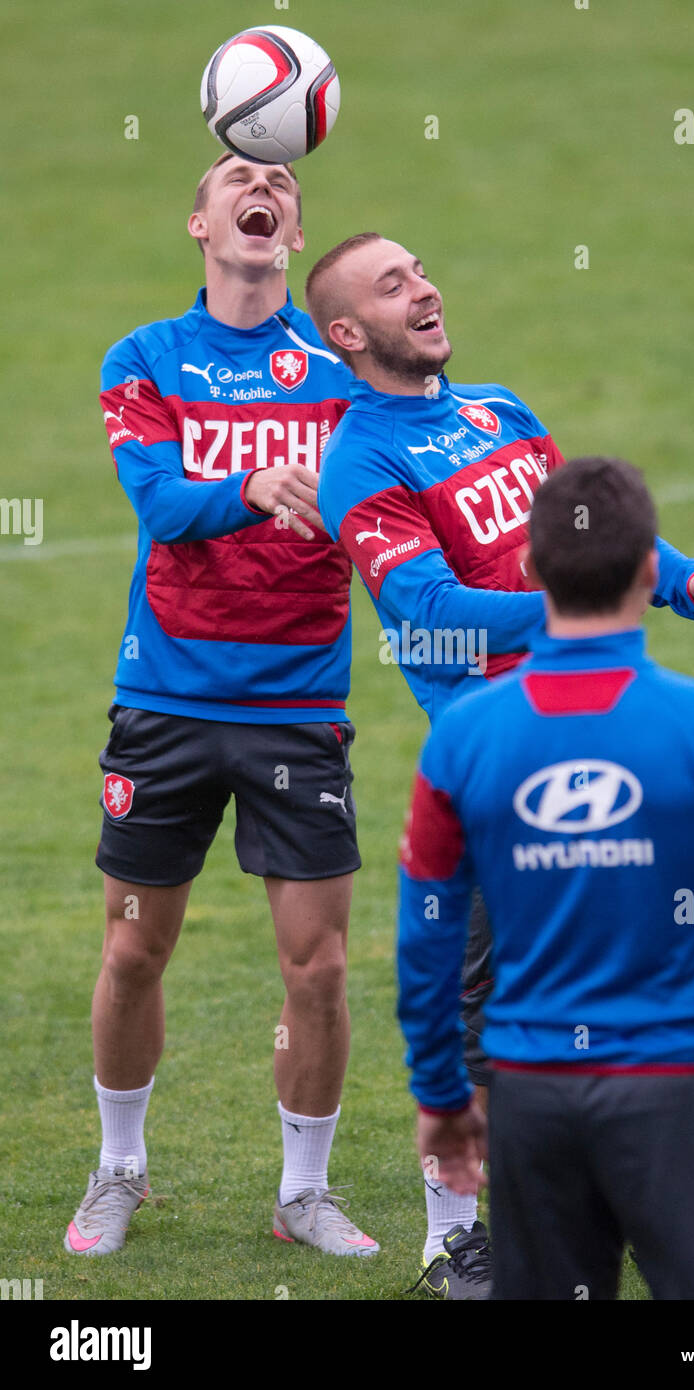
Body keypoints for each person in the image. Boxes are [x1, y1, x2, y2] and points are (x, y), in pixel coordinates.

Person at [299, 232, 694, 1295]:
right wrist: (578, 612)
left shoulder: (498, 411)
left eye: (421, 271)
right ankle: (458, 1237)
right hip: (498, 763)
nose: (425, 288)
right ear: (347, 333)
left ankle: (661, 1195)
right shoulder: (361, 458)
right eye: (393, 284)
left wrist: (685, 582)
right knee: (486, 1003)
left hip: (606, 728)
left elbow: (592, 538)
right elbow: (427, 607)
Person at [396, 455, 694, 1300]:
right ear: (651, 570)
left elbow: (427, 941)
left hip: (533, 1102)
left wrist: (440, 1094)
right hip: (684, 1089)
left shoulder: (463, 740)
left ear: (528, 570)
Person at [65, 153, 379, 1260]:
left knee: (320, 967)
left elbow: (399, 505)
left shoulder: (344, 371)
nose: (263, 189)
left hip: (299, 705)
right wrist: (250, 486)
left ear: (293, 231)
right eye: (239, 176)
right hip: (167, 700)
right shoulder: (146, 357)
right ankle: (119, 1168)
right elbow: (158, 501)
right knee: (133, 951)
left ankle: (303, 1194)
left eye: (281, 184)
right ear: (199, 222)